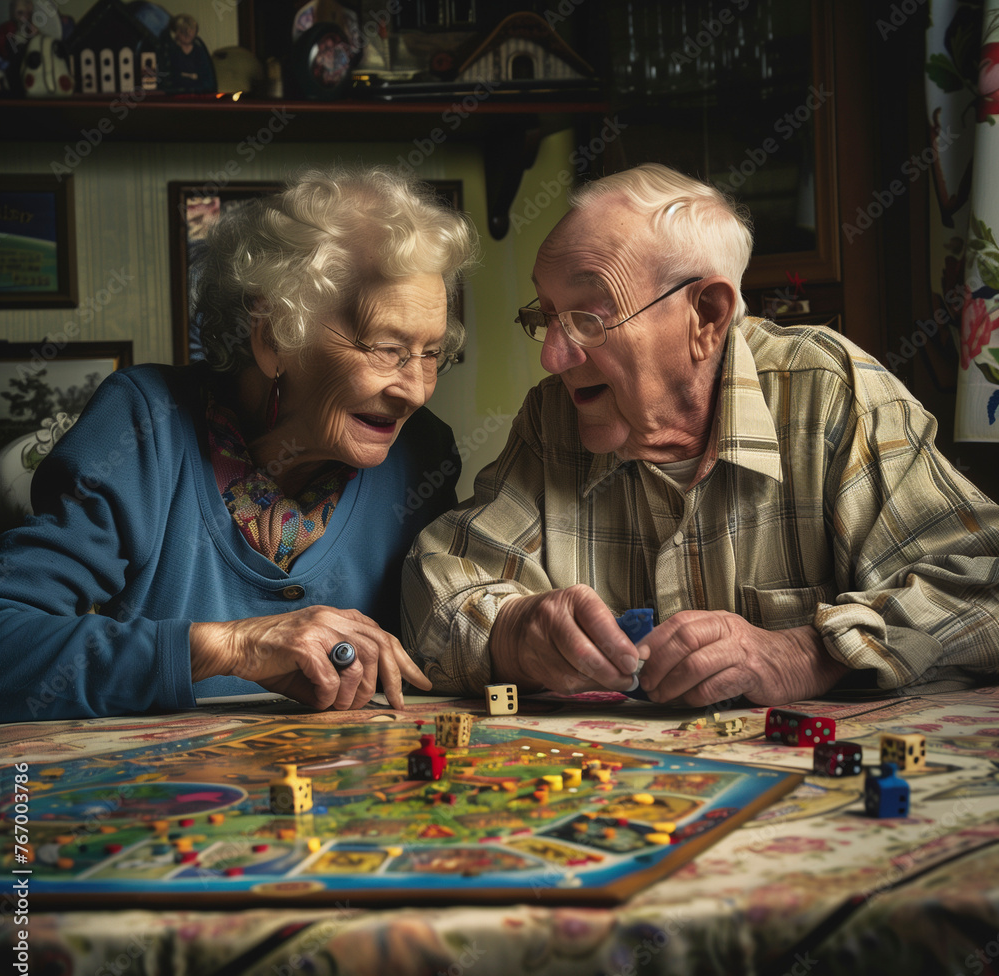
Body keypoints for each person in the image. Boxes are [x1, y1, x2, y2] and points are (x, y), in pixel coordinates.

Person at [402, 163, 999, 707]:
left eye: (587, 318)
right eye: (547, 317)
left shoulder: (828, 392)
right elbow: (434, 579)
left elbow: (982, 584)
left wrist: (809, 652)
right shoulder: (552, 419)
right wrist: (511, 634)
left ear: (707, 317)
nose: (553, 357)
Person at [0, 164, 478, 722]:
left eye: (431, 353)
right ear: (275, 335)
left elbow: (442, 647)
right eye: (387, 349)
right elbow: (10, 643)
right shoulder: (143, 425)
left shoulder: (424, 453)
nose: (416, 391)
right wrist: (232, 646)